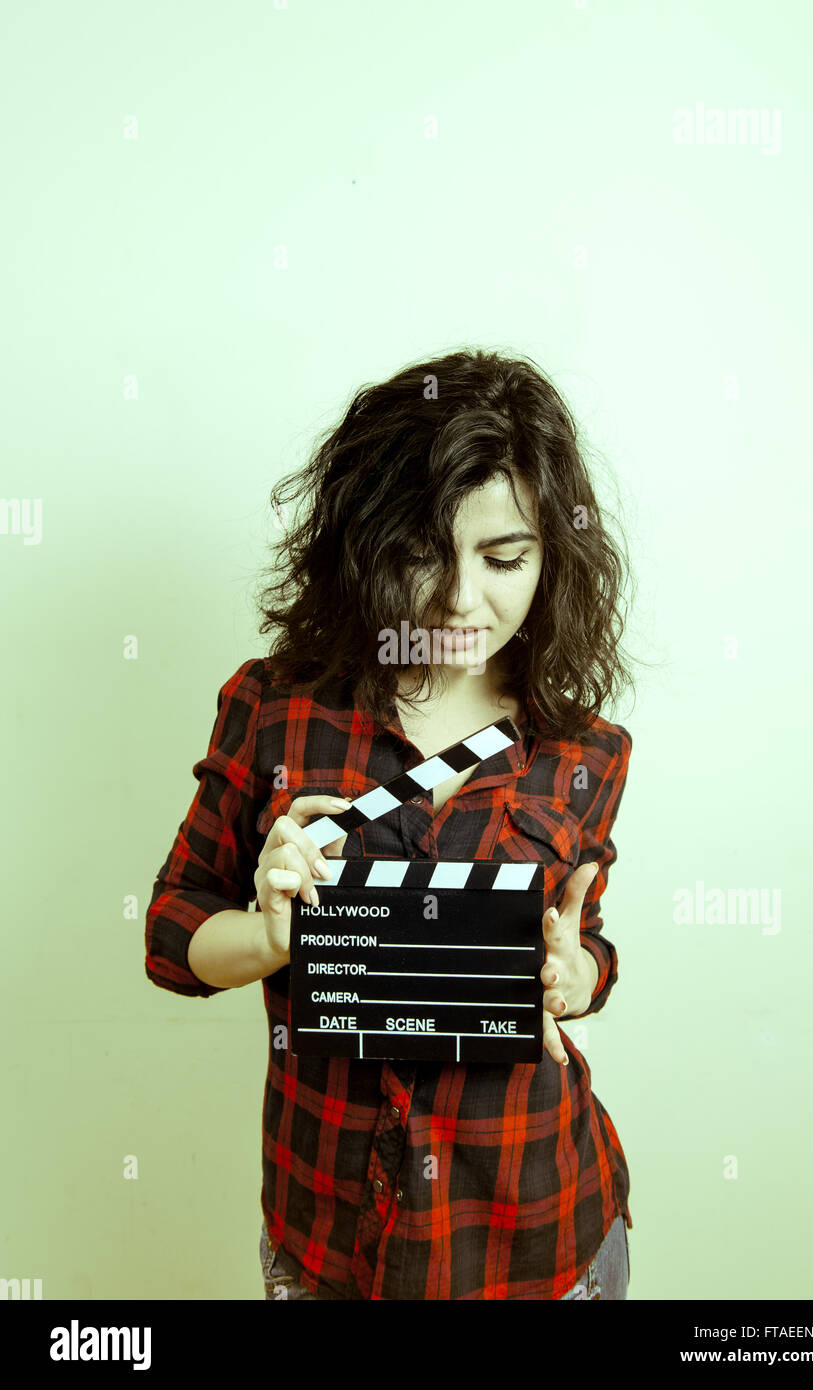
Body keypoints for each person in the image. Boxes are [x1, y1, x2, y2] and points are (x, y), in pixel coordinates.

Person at [145, 348, 636, 1300]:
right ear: (366, 544)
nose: (460, 598)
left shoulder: (586, 752)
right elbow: (171, 934)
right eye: (421, 551)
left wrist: (577, 976)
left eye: (503, 559)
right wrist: (266, 935)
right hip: (332, 1235)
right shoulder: (277, 708)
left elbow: (589, 946)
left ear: (551, 557)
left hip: (536, 1223)